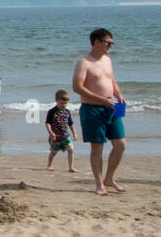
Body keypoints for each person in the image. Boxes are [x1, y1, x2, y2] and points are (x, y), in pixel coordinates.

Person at [73, 28, 125, 196]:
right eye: (108, 43)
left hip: (111, 107)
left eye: (112, 43)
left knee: (120, 145)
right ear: (96, 42)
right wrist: (100, 99)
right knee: (97, 147)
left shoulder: (107, 60)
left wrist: (119, 95)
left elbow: (111, 79)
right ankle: (99, 183)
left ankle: (109, 179)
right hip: (92, 109)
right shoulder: (84, 62)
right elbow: (77, 87)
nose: (111, 46)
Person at [44, 90, 77, 172]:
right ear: (56, 100)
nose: (64, 105)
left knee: (71, 149)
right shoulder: (52, 112)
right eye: (62, 103)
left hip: (66, 136)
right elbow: (47, 123)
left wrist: (74, 133)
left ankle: (71, 167)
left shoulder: (67, 112)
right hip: (55, 137)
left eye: (65, 103)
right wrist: (51, 133)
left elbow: (71, 124)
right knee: (54, 152)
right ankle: (49, 165)